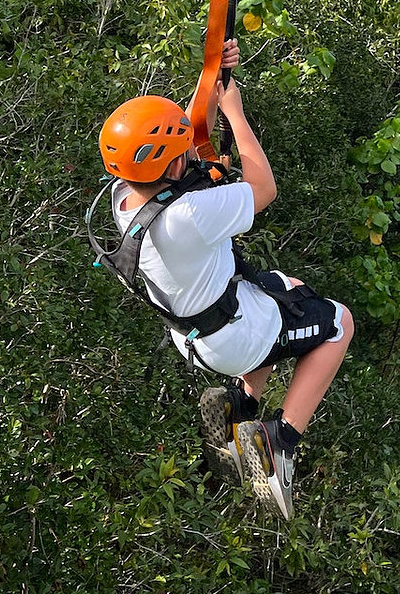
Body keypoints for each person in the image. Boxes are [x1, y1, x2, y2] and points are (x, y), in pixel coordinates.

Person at [97, 40, 354, 520]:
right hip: (232, 338)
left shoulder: (124, 198)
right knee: (338, 323)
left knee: (286, 287)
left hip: (193, 333)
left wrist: (212, 77)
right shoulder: (191, 215)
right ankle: (280, 441)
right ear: (171, 164)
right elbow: (263, 189)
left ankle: (239, 402)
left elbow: (188, 140)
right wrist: (234, 113)